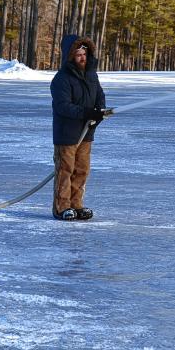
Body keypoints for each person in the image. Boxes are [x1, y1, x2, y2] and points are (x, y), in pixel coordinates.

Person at [50, 35, 112, 221]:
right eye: (78, 54)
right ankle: (62, 207)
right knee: (65, 170)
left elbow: (99, 95)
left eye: (84, 54)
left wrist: (98, 113)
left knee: (82, 170)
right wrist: (87, 113)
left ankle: (76, 205)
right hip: (67, 133)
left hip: (86, 132)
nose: (82, 58)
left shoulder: (92, 75)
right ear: (70, 56)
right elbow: (63, 107)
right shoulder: (61, 79)